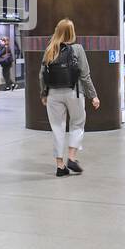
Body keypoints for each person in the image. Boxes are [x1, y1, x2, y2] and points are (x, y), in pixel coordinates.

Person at [39, 18, 99, 176]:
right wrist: (93, 96)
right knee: (78, 123)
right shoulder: (78, 49)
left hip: (53, 94)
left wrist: (44, 93)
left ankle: (60, 166)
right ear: (72, 32)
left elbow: (41, 75)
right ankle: (72, 157)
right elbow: (85, 75)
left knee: (57, 128)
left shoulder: (50, 49)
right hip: (74, 92)